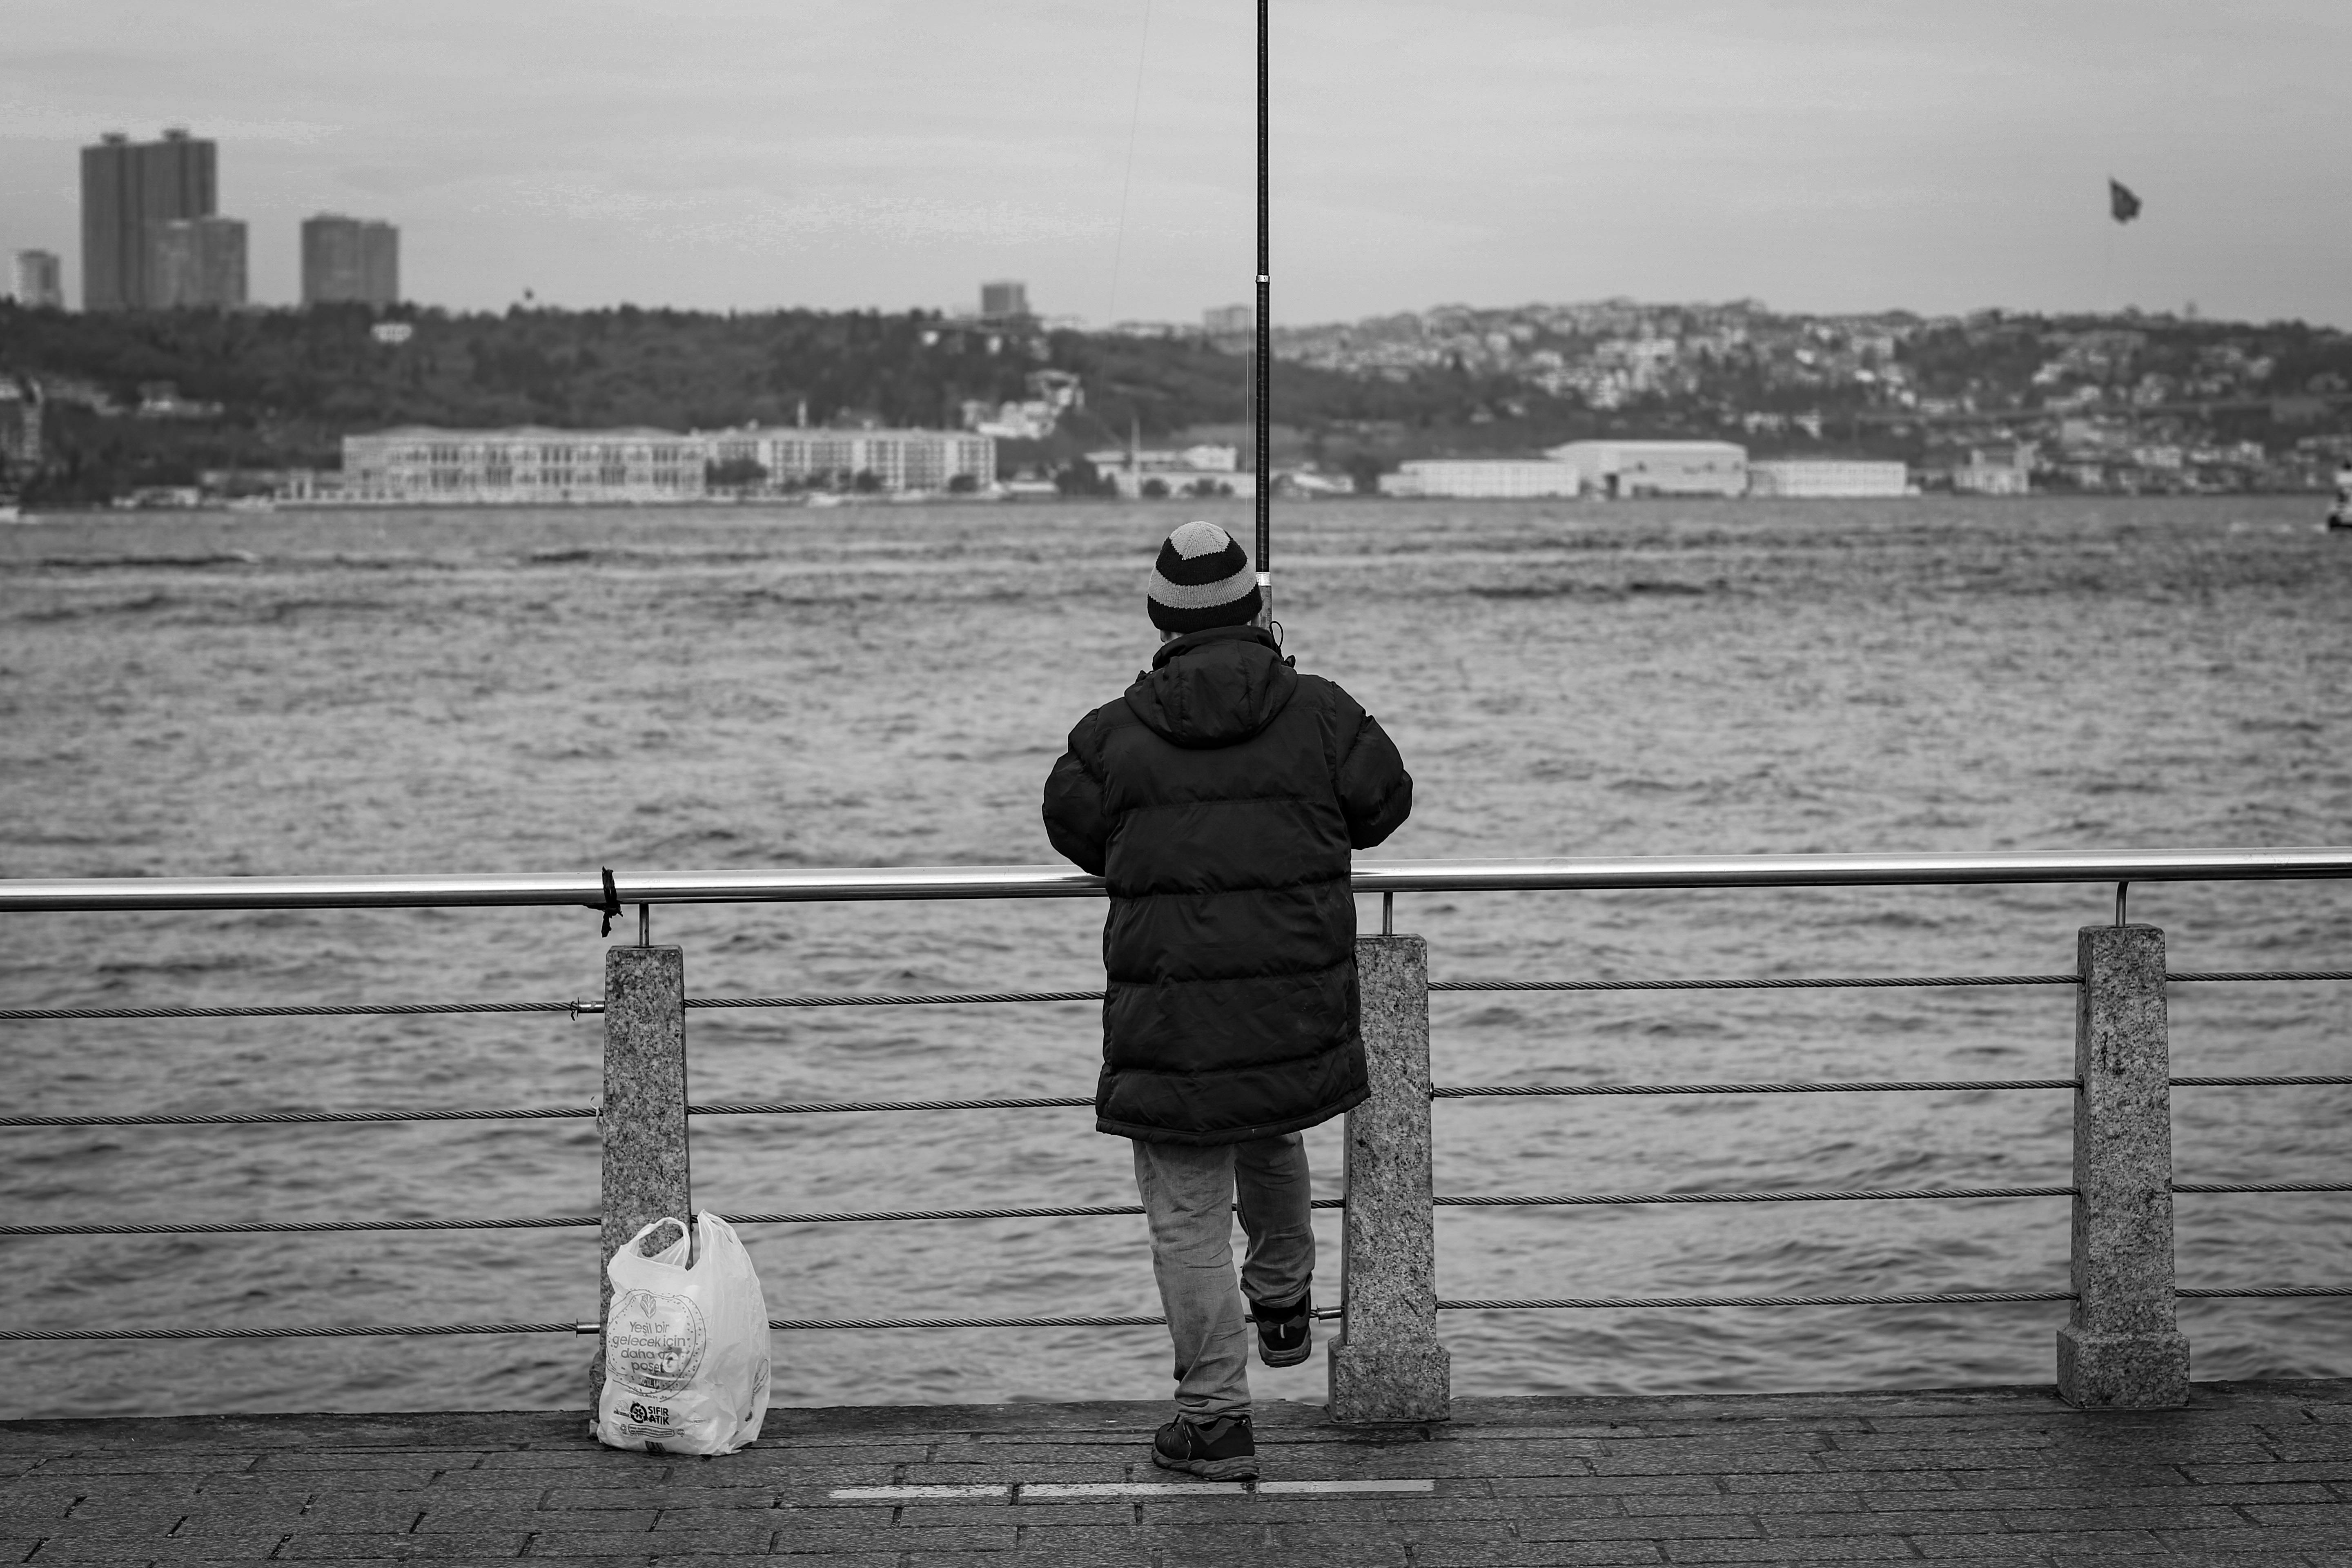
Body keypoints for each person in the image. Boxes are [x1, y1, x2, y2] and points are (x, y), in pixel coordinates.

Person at [1041, 519, 1412, 1479]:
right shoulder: (1323, 712)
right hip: (1291, 1007)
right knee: (1274, 1124)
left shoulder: (1112, 736)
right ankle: (1285, 1302)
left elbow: (1075, 828)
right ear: (1258, 609)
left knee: (1188, 1214)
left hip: (1170, 1017)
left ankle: (1214, 1420)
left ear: (1161, 620)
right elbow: (1384, 805)